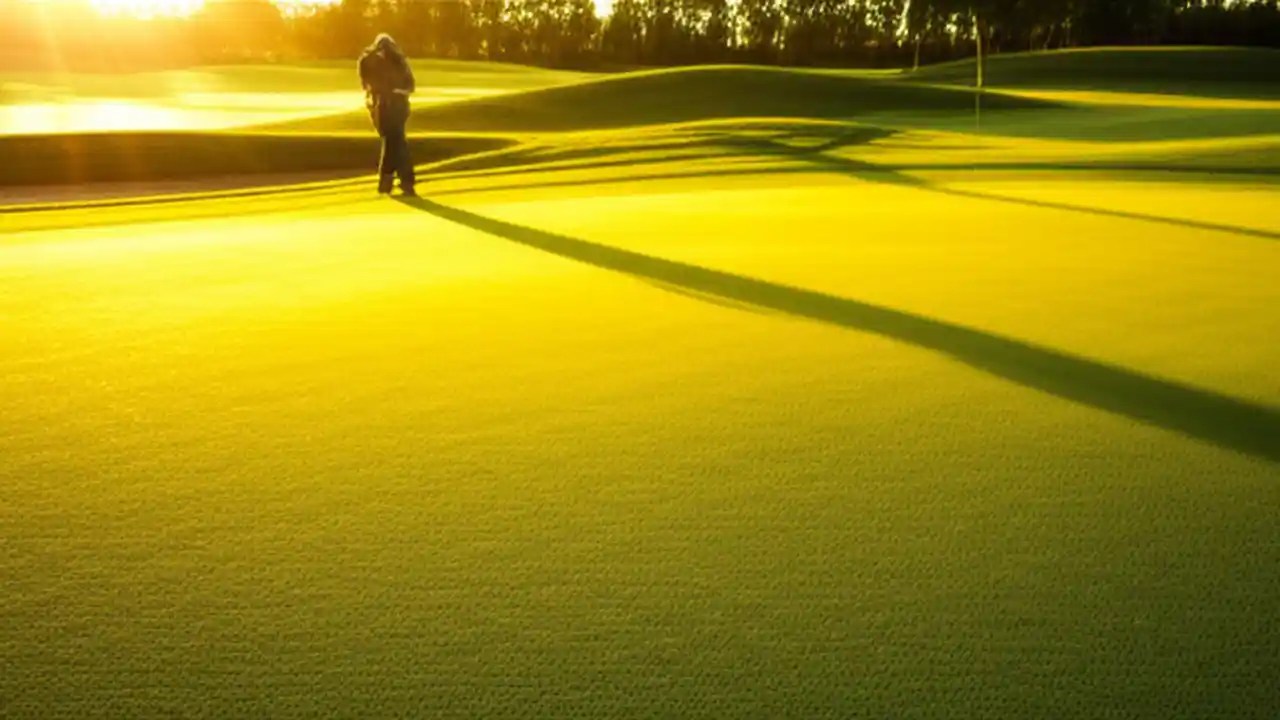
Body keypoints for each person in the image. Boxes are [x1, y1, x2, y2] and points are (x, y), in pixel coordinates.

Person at [358, 33, 416, 196]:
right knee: (396, 142)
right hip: (398, 107)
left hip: (382, 107)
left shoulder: (371, 60)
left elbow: (368, 85)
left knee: (393, 142)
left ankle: (392, 182)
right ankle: (401, 181)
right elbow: (410, 86)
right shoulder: (398, 60)